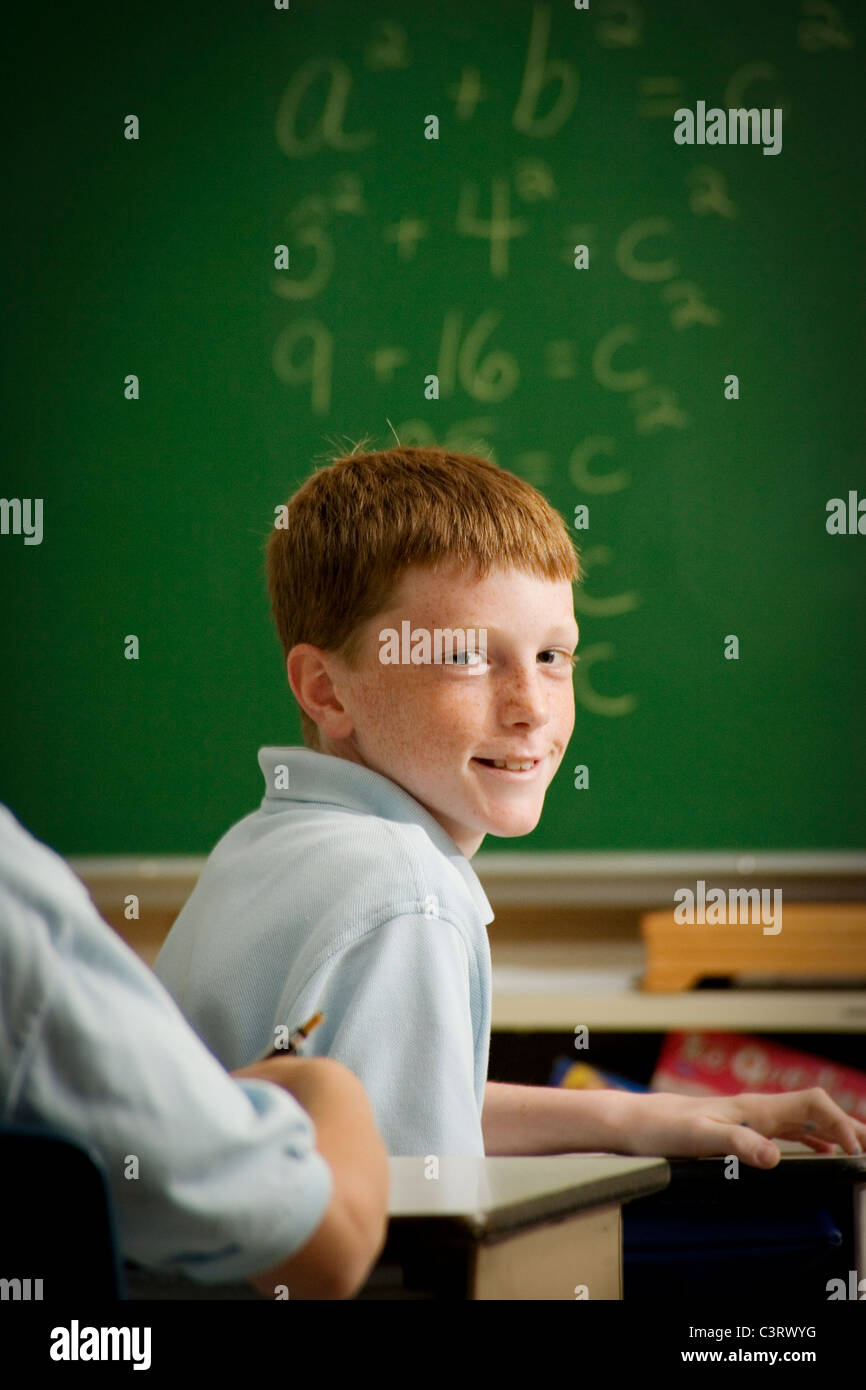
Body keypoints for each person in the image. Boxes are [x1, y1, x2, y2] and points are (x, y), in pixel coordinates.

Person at [155, 446, 866, 1166]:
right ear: (327, 690)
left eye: (553, 657)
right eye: (466, 656)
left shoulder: (267, 844)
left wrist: (628, 1116)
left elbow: (388, 1109)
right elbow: (417, 1212)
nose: (531, 707)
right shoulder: (407, 896)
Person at [0, 804, 389, 1298]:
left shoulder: (250, 841)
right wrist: (324, 1080)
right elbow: (332, 1248)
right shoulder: (408, 884)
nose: (523, 719)